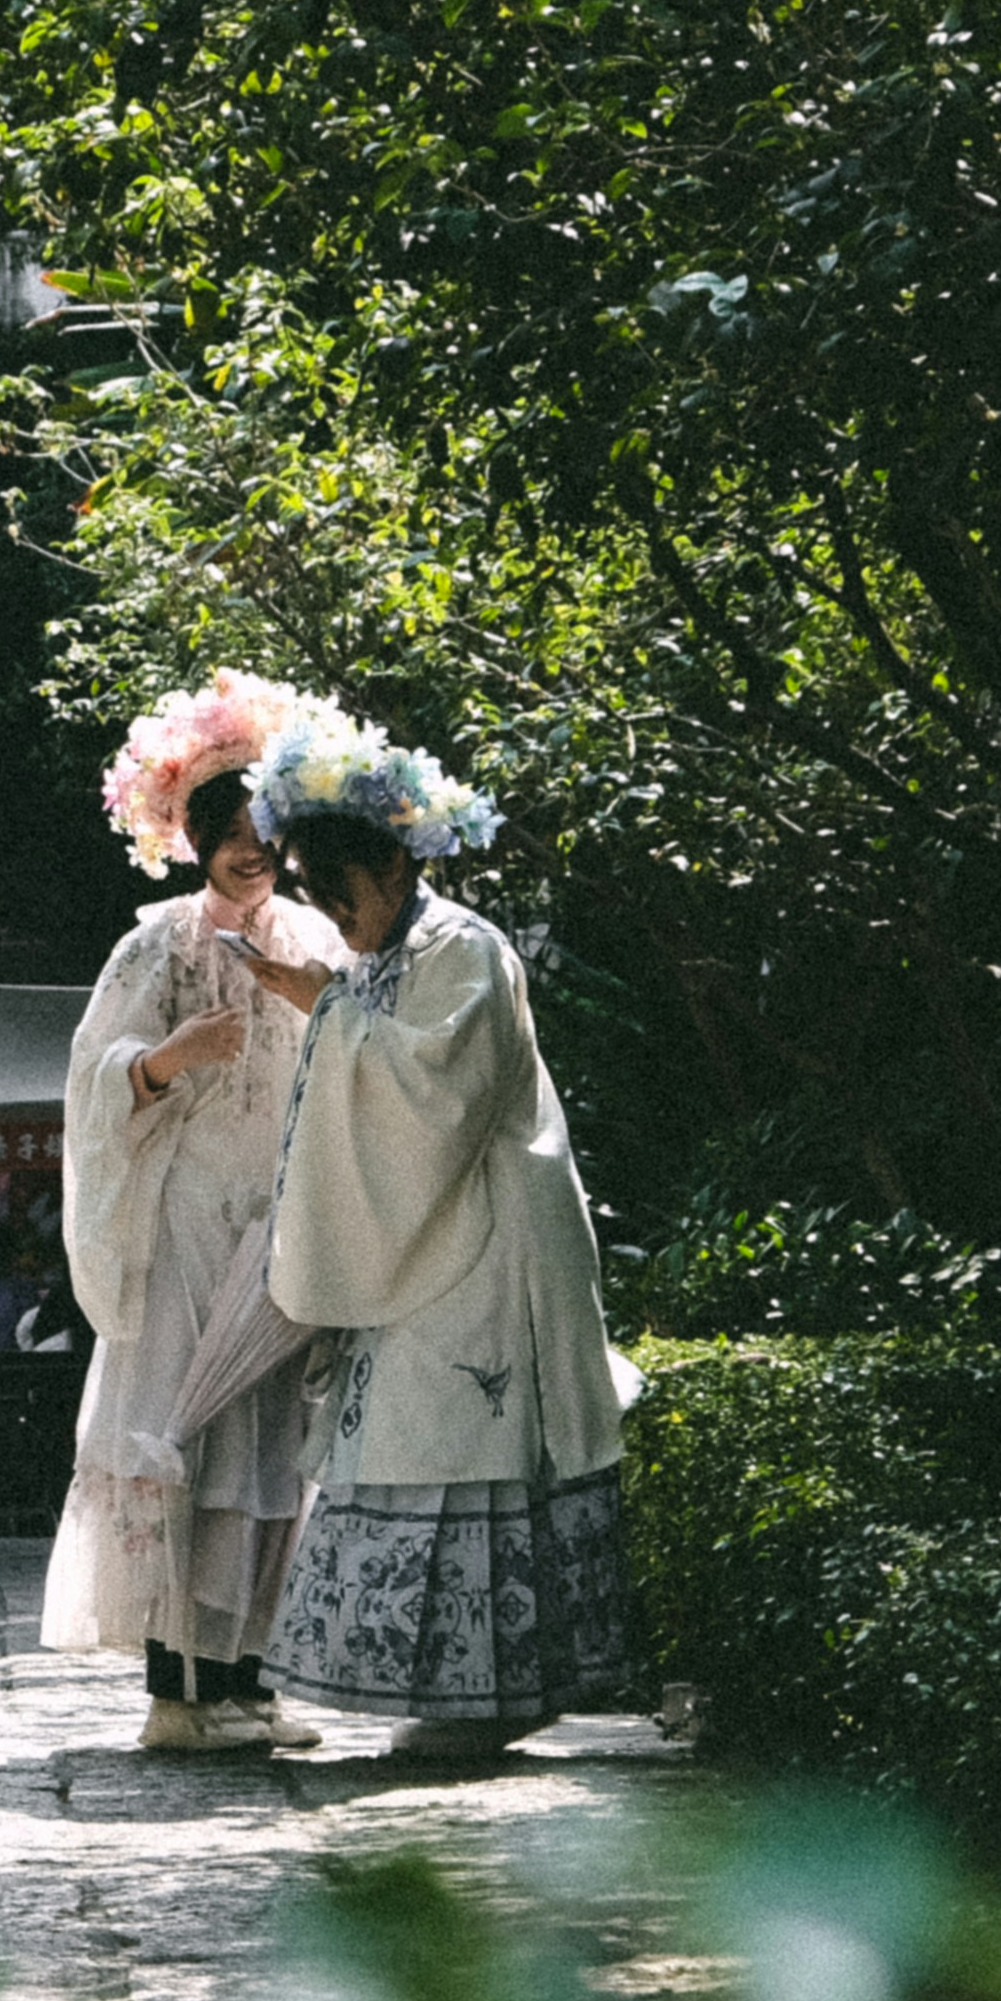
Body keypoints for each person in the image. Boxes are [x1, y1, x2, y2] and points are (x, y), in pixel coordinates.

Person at [242, 707, 638, 1758]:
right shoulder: (396, 955)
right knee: (427, 1440)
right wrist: (332, 1004)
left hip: (482, 1235)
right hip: (431, 1239)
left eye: (344, 894)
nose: (337, 918)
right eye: (320, 902)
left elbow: (435, 1097)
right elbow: (378, 1064)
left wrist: (330, 1010)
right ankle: (471, 1690)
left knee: (472, 1442)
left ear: (391, 862)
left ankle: (493, 1693)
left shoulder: (461, 947)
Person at [44, 672, 357, 1751]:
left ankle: (247, 1682)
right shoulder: (156, 945)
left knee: (269, 1445)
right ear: (191, 838)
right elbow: (93, 1074)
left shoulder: (314, 941)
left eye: (262, 828)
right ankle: (175, 1694)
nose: (247, 850)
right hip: (183, 1217)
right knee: (187, 1435)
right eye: (226, 831)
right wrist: (167, 1061)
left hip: (277, 1216)